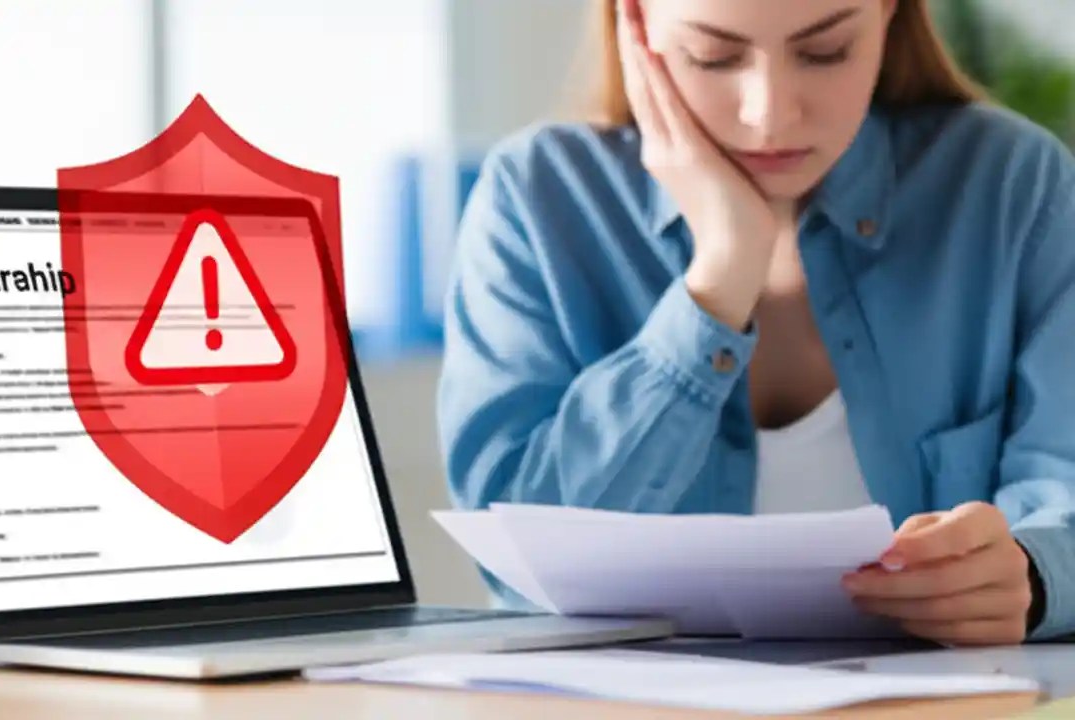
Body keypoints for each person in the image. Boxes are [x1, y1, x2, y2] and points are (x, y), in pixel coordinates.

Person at [437, 0, 1075, 646]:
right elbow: (519, 562)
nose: (769, 114)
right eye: (714, 56)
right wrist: (719, 276)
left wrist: (1031, 575)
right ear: (636, 26)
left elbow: (1064, 498)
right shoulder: (538, 197)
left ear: (887, 14)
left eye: (825, 51)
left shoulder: (1010, 186)